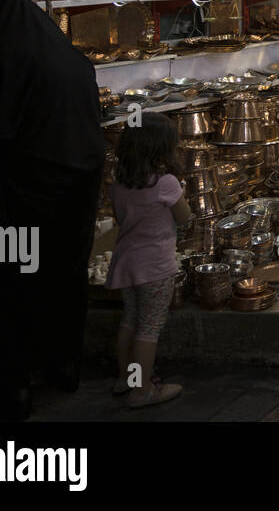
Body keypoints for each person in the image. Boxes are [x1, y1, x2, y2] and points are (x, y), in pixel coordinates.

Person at [0, 0, 105, 420]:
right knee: (63, 283)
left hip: (16, 204)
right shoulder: (68, 58)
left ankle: (11, 392)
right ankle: (62, 368)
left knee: (2, 292)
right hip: (73, 197)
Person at [106, 112, 191, 408]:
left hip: (125, 263)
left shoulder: (118, 185)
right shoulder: (165, 183)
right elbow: (184, 218)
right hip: (155, 267)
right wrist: (182, 195)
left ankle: (125, 378)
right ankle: (142, 390)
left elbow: (121, 221)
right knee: (150, 328)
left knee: (130, 321)